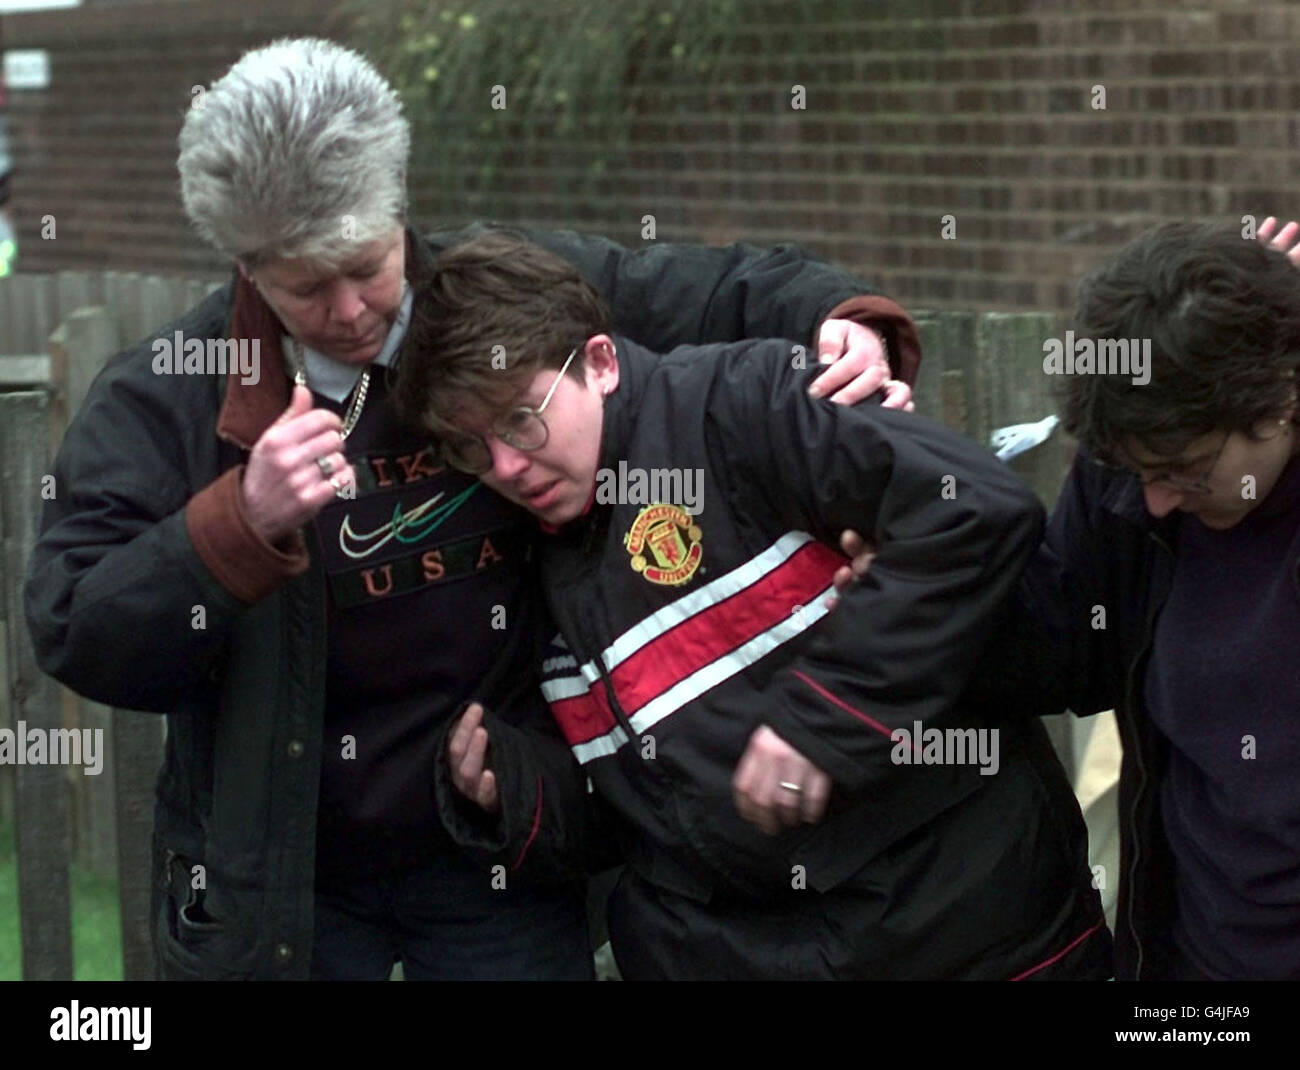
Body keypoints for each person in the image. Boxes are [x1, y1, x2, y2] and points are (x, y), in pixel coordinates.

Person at [22, 37, 913, 980]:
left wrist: (841, 319)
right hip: (289, 884)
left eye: (368, 264)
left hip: (498, 854)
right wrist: (240, 521)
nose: (353, 309)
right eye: (305, 288)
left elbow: (708, 291)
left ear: (398, 205)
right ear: (248, 266)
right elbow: (79, 628)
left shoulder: (503, 300)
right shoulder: (168, 394)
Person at [393, 232, 1113, 980]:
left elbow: (973, 511)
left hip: (966, 927)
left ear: (601, 362)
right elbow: (647, 823)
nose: (507, 466)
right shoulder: (522, 560)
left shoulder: (746, 403)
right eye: (472, 449)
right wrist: (522, 792)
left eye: (519, 419)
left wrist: (826, 716)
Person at [949, 219, 1300, 980]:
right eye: (1136, 471)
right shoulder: (1137, 472)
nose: (1158, 500)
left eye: (1185, 469)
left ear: (1277, 402)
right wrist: (927, 578)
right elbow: (1059, 648)